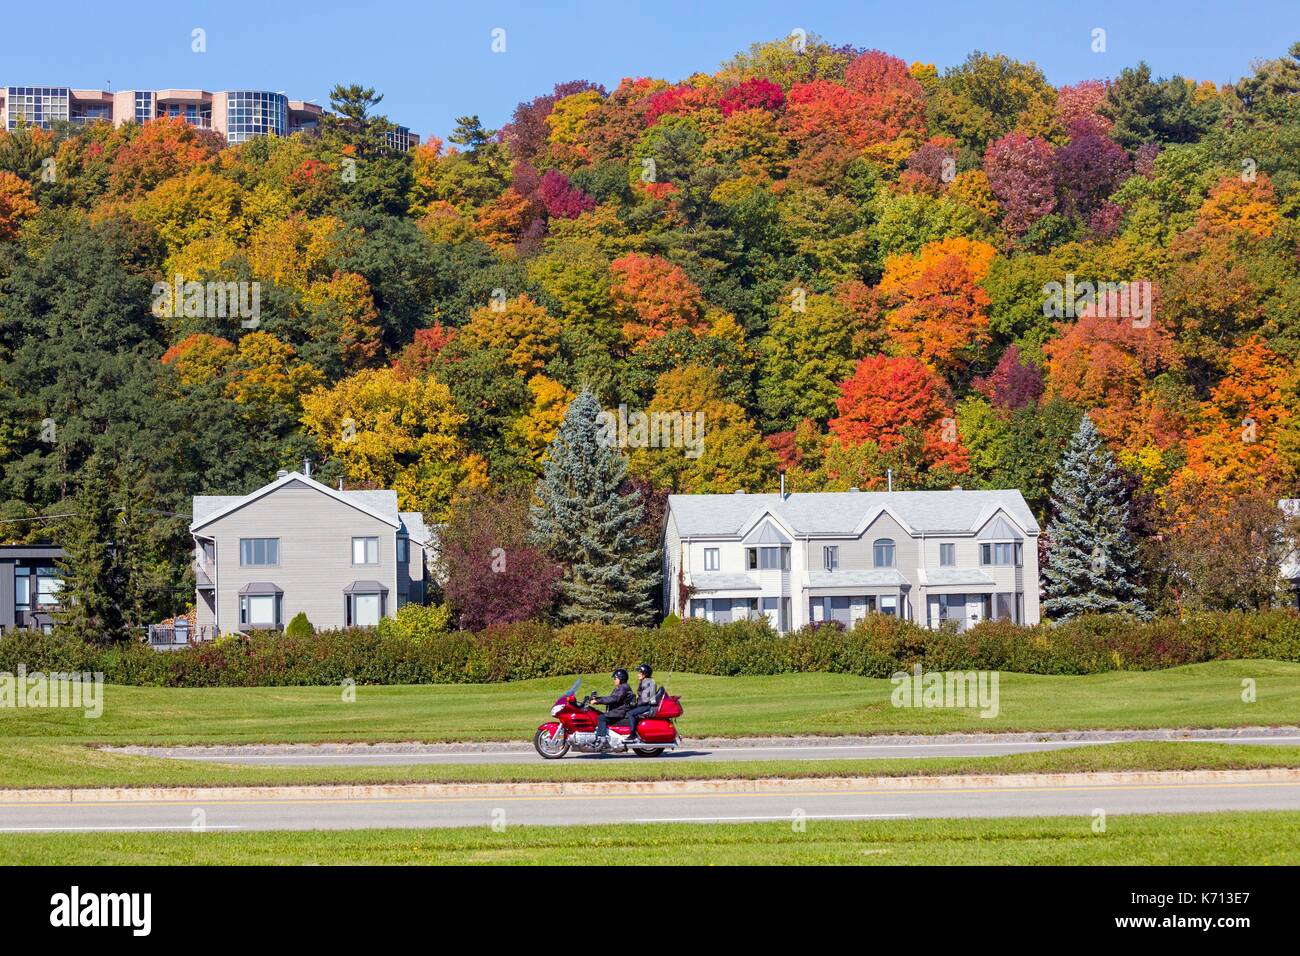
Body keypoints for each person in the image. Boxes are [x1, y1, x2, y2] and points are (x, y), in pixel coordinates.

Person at [591, 668, 633, 750]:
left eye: (615, 678)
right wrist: (596, 698)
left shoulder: (623, 688)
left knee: (601, 717)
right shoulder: (621, 687)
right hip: (618, 711)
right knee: (597, 714)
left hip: (620, 712)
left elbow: (614, 699)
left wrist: (597, 701)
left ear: (621, 679)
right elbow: (611, 698)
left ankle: (603, 740)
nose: (614, 680)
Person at [624, 663, 658, 744]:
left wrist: (635, 704)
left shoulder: (647, 682)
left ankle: (633, 734)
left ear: (645, 674)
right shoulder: (646, 681)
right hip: (645, 704)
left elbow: (645, 699)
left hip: (647, 705)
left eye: (640, 672)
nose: (638, 674)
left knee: (630, 713)